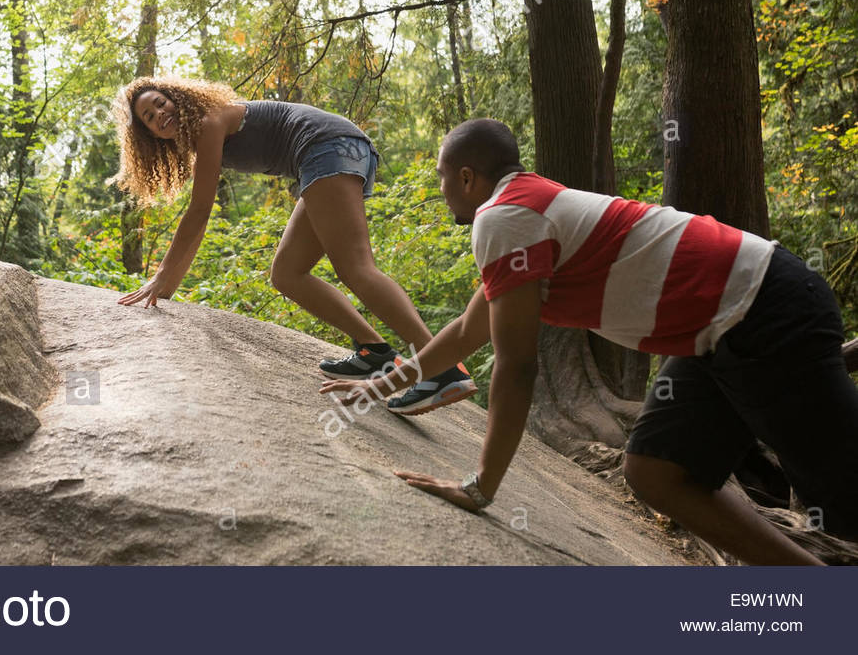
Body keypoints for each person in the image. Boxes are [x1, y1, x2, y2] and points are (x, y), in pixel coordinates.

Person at [321, 117, 858, 565]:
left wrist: (480, 487)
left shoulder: (504, 218)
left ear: (466, 178)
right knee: (655, 471)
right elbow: (468, 330)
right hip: (719, 327)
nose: (441, 192)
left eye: (441, 179)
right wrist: (385, 382)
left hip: (765, 306)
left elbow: (518, 366)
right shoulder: (521, 209)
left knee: (840, 487)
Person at [111, 76, 475, 413]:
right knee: (287, 274)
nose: (160, 114)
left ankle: (442, 367)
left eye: (161, 103)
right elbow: (199, 215)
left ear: (177, 98)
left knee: (356, 269)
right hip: (328, 154)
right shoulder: (203, 135)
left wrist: (162, 278)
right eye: (149, 116)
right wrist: (168, 285)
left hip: (328, 148)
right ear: (151, 137)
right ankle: (375, 352)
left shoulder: (209, 122)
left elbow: (199, 211)